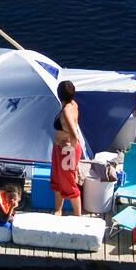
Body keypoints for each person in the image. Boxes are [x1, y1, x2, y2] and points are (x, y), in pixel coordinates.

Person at [50, 80, 84, 216]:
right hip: (59, 148)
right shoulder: (73, 104)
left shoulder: (66, 111)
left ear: (59, 95)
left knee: (69, 184)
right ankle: (58, 210)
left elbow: (74, 134)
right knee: (57, 180)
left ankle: (77, 215)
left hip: (67, 151)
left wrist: (72, 156)